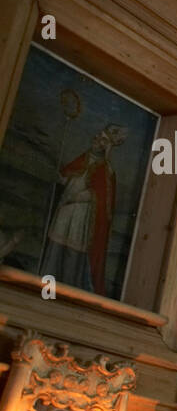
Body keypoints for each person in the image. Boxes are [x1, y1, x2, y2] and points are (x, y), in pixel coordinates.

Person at [41, 124, 125, 295]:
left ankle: (66, 292)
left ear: (107, 146)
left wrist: (77, 197)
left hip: (81, 216)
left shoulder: (106, 170)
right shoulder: (84, 157)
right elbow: (66, 176)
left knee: (73, 254)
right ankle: (44, 287)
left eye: (102, 139)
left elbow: (100, 196)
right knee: (55, 249)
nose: (97, 139)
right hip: (65, 211)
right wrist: (59, 177)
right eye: (98, 135)